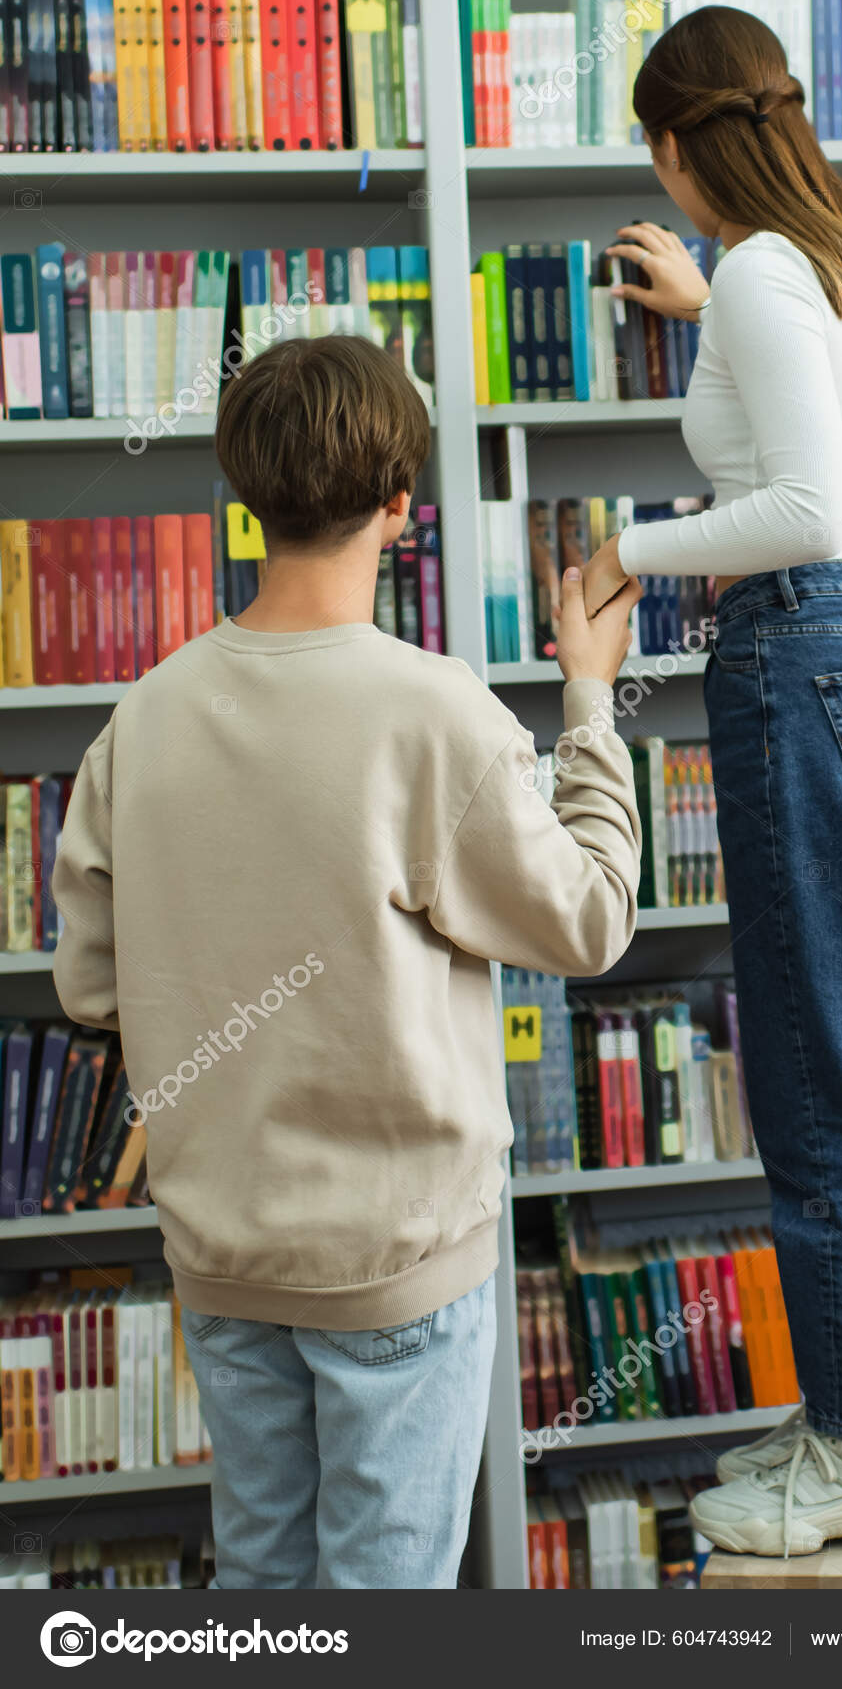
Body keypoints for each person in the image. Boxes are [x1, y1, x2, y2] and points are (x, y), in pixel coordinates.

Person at [53, 333, 643, 1589]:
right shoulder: (437, 712)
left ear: (246, 496)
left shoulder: (141, 717)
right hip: (396, 1266)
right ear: (400, 507)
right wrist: (589, 699)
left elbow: (92, 988)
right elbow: (589, 922)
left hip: (222, 1256)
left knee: (264, 1586)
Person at [583, 5, 842, 1558]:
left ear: (679, 144)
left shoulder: (757, 266)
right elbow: (824, 459)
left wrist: (625, 552)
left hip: (803, 659)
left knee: (826, 1091)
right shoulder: (840, 258)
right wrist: (707, 304)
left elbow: (804, 506)